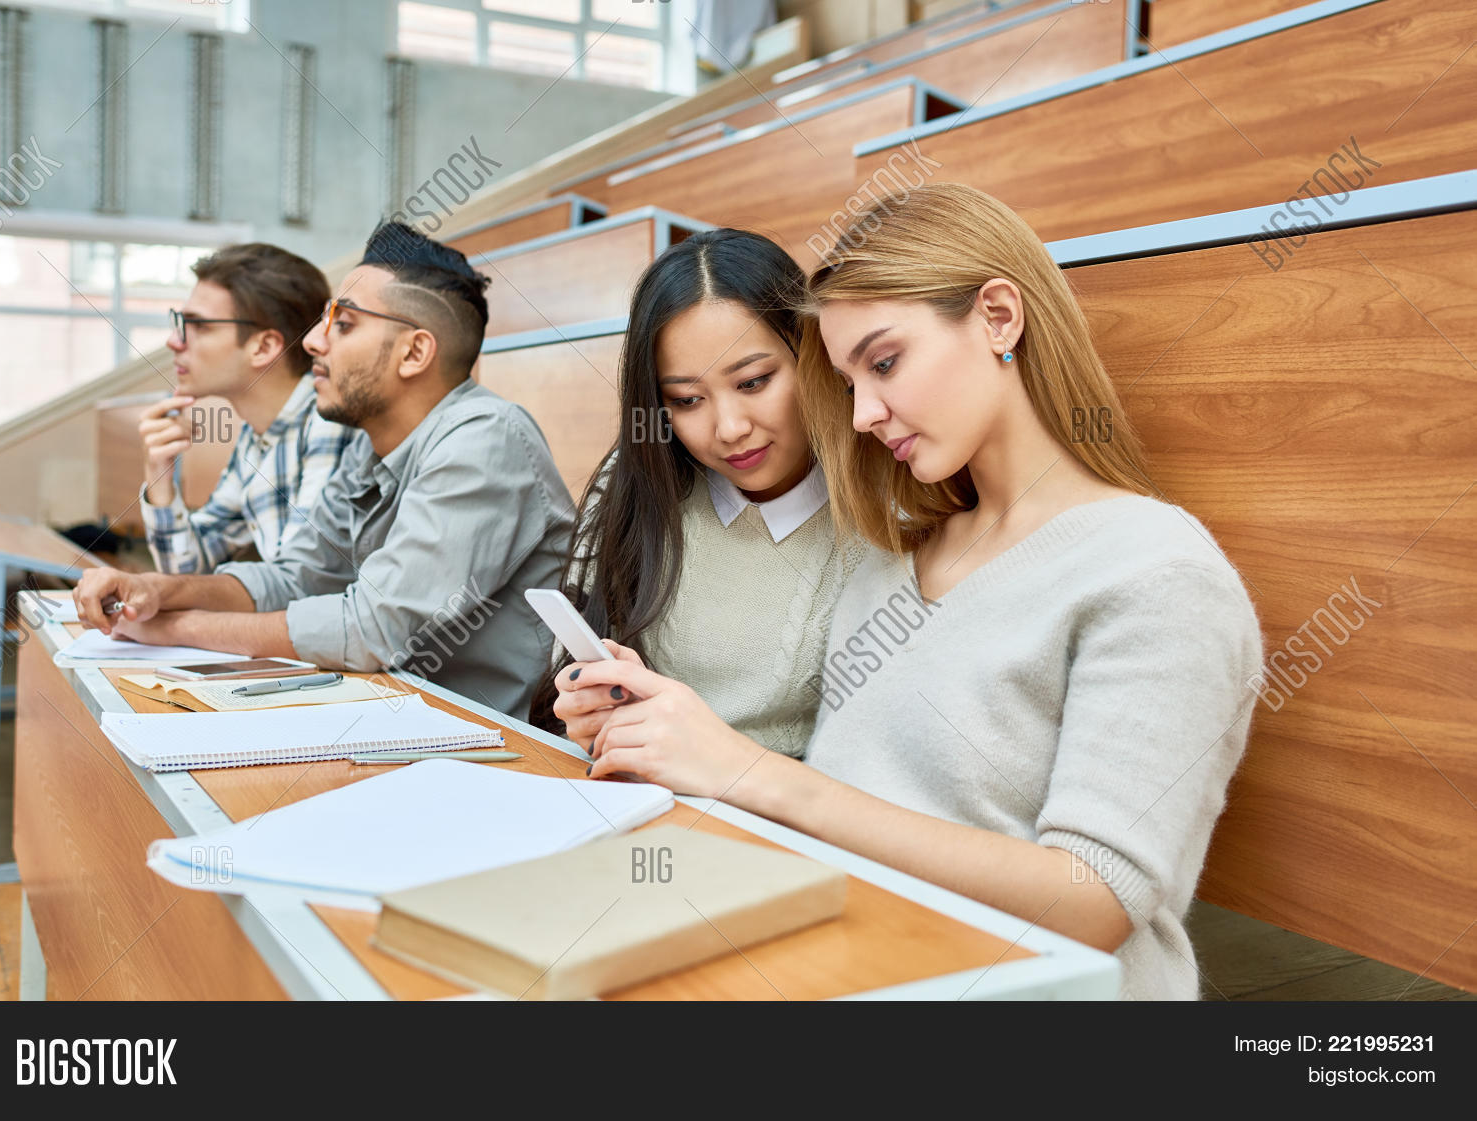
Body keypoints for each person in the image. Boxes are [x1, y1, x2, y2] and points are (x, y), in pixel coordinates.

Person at [556, 184, 1264, 999]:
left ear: (999, 318)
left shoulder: (1156, 572)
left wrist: (754, 773)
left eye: (884, 363)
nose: (860, 414)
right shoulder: (895, 554)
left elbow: (1094, 901)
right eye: (848, 380)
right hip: (833, 960)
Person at [74, 220, 575, 721]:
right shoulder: (370, 448)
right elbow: (295, 579)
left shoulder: (484, 438)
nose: (313, 340)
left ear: (415, 352)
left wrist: (172, 628)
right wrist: (159, 592)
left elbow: (373, 629)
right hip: (399, 721)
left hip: (496, 746)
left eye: (344, 323)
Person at [532, 228, 866, 759]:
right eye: (687, 400)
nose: (729, 428)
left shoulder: (883, 500)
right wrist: (587, 711)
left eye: (754, 382)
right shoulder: (634, 481)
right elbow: (566, 684)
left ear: (813, 352)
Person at [139, 243, 356, 573]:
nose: (174, 340)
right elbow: (186, 567)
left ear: (264, 347)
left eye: (199, 325)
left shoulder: (327, 421)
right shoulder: (257, 437)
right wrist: (160, 473)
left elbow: (303, 578)